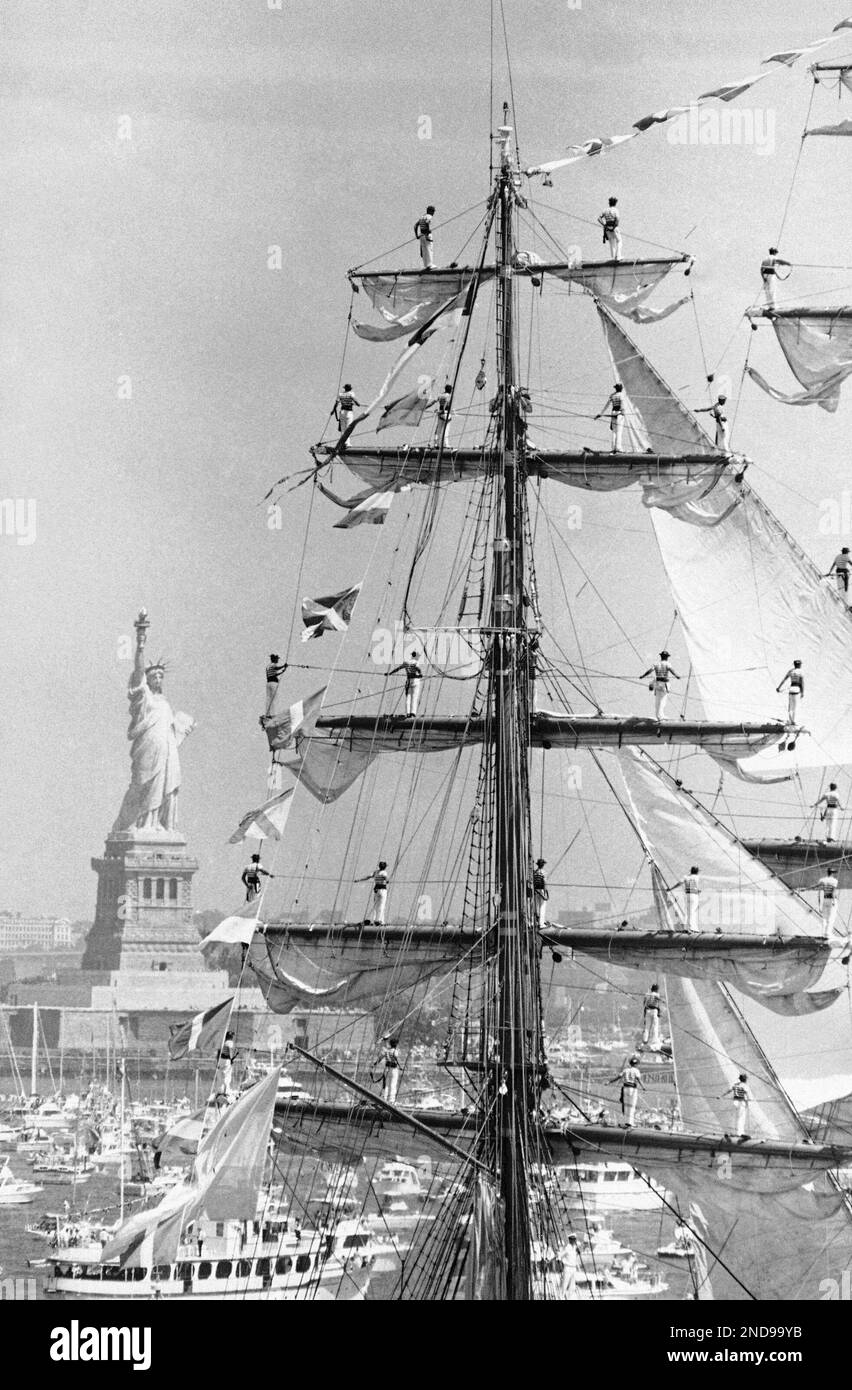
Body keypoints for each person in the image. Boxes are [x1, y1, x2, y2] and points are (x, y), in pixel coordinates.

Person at [640, 650, 681, 720]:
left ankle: (658, 715)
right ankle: (661, 716)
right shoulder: (667, 664)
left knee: (658, 700)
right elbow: (672, 671)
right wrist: (677, 676)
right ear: (667, 657)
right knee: (663, 700)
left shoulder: (656, 663)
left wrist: (643, 676)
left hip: (658, 683)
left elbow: (650, 671)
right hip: (664, 683)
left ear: (661, 656)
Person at [610, 1054, 644, 1128]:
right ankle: (630, 1123)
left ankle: (625, 1122)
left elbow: (618, 1077)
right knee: (632, 1106)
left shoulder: (626, 1070)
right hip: (633, 1089)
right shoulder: (636, 1070)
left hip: (625, 1088)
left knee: (626, 1105)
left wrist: (609, 1082)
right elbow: (638, 1079)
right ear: (636, 1064)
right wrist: (643, 1087)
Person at [390, 651, 423, 718]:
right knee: (414, 697)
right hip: (416, 681)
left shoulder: (406, 662)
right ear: (416, 656)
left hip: (409, 681)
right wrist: (420, 673)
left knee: (408, 697)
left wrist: (390, 673)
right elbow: (417, 668)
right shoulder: (416, 662)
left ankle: (407, 713)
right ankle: (413, 713)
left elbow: (398, 669)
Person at [721, 1073, 752, 1140]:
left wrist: (721, 1096)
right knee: (741, 1117)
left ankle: (729, 1132)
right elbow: (747, 1095)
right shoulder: (745, 1086)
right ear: (745, 1079)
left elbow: (729, 1091)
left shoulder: (736, 1085)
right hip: (741, 1102)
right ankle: (740, 1133)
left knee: (733, 1117)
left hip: (735, 1102)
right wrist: (748, 1101)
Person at [595, 382, 625, 452]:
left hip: (613, 413)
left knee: (614, 431)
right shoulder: (621, 395)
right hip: (619, 413)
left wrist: (601, 413)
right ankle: (618, 448)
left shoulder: (612, 395)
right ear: (621, 388)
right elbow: (622, 403)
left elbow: (607, 405)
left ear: (616, 388)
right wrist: (623, 411)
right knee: (619, 431)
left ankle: (613, 447)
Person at [671, 867, 701, 933]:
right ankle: (692, 928)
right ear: (697, 872)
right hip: (694, 895)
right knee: (693, 911)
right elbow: (694, 886)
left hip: (687, 895)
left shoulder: (686, 877)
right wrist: (698, 890)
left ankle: (686, 927)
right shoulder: (697, 877)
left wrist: (671, 888)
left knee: (688, 911)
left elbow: (679, 883)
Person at [372, 1034, 401, 1104]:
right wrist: (400, 1067)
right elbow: (397, 1059)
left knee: (386, 1085)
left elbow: (380, 1058)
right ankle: (391, 1100)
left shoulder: (386, 1051)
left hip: (387, 1069)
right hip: (393, 1069)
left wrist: (374, 1064)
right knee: (393, 1085)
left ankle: (384, 1098)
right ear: (396, 1045)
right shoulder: (395, 1051)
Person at [776, 659, 804, 724]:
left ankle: (790, 721)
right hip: (797, 689)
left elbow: (784, 680)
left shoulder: (791, 671)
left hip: (791, 689)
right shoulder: (801, 672)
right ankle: (794, 722)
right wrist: (803, 692)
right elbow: (802, 683)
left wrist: (778, 688)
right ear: (799, 665)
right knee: (796, 706)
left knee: (790, 707)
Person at [817, 868, 840, 940]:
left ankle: (823, 934)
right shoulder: (834, 881)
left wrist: (819, 904)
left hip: (825, 899)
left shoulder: (822, 880)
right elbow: (833, 891)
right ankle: (828, 934)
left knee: (824, 918)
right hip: (831, 900)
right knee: (831, 918)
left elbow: (819, 891)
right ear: (832, 873)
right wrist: (833, 901)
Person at [597, 196, 622, 261]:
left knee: (612, 243)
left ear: (609, 203)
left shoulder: (605, 210)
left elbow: (599, 218)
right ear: (615, 203)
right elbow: (617, 220)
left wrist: (604, 225)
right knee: (619, 241)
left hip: (607, 228)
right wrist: (613, 227)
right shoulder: (616, 210)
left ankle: (613, 258)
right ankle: (618, 257)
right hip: (614, 228)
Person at [366, 861, 390, 926]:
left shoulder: (375, 872)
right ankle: (380, 920)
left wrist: (359, 880)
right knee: (382, 905)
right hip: (383, 890)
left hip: (376, 890)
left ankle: (374, 920)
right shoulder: (384, 872)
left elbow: (368, 876)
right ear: (385, 867)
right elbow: (385, 878)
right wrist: (387, 881)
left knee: (375, 906)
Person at [642, 983, 664, 1050]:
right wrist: (659, 1012)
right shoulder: (657, 994)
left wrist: (644, 1014)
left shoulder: (647, 995)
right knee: (655, 1026)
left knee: (647, 1027)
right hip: (654, 1011)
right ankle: (654, 1041)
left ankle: (645, 1040)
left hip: (648, 1010)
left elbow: (644, 1004)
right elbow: (659, 1003)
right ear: (656, 989)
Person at [414, 205, 436, 269]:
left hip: (421, 235)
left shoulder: (422, 217)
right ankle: (430, 265)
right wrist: (427, 232)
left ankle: (426, 265)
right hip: (427, 234)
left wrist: (417, 236)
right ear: (429, 211)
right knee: (429, 249)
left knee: (424, 250)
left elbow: (415, 226)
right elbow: (427, 222)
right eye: (433, 211)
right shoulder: (429, 216)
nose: (433, 213)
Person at [559, 1234, 578, 1299]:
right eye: (572, 1240)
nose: (574, 1241)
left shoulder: (575, 1247)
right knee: (565, 1284)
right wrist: (564, 1262)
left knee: (572, 1285)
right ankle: (561, 1297)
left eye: (574, 1240)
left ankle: (570, 1298)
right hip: (568, 1267)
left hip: (574, 1268)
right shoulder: (567, 1248)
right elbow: (560, 1256)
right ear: (570, 1240)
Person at [532, 859, 549, 929]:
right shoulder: (543, 872)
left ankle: (533, 922)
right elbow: (544, 882)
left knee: (536, 907)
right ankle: (541, 923)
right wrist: (545, 892)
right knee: (542, 907)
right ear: (543, 865)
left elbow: (533, 881)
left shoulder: (535, 872)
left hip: (536, 891)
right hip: (541, 890)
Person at [437, 382, 453, 447]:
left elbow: (435, 401)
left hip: (440, 413)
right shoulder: (448, 396)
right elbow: (446, 403)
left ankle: (437, 443)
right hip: (445, 413)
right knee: (446, 429)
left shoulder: (440, 395)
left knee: (439, 429)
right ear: (450, 390)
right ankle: (446, 444)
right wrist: (443, 410)